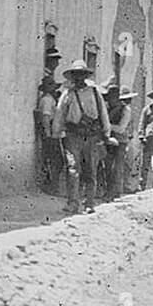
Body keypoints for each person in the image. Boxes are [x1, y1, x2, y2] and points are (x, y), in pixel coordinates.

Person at [56, 59, 111, 213]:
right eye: (76, 75)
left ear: (85, 76)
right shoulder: (67, 94)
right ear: (72, 77)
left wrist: (106, 133)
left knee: (91, 170)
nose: (78, 78)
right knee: (73, 168)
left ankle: (89, 203)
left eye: (81, 75)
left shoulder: (95, 92)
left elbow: (103, 113)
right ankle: (73, 203)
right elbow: (60, 114)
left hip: (92, 136)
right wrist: (56, 133)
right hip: (73, 135)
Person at [35, 50, 65, 194]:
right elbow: (46, 117)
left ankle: (52, 186)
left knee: (55, 160)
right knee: (55, 160)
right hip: (50, 133)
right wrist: (48, 133)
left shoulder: (49, 99)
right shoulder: (47, 100)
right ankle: (51, 187)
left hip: (53, 133)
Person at [101, 82, 136, 200]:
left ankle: (115, 192)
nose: (110, 100)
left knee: (117, 167)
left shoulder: (125, 110)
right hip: (107, 140)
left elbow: (121, 129)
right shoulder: (106, 108)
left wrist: (106, 125)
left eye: (113, 97)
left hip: (120, 141)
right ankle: (107, 191)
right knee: (107, 166)